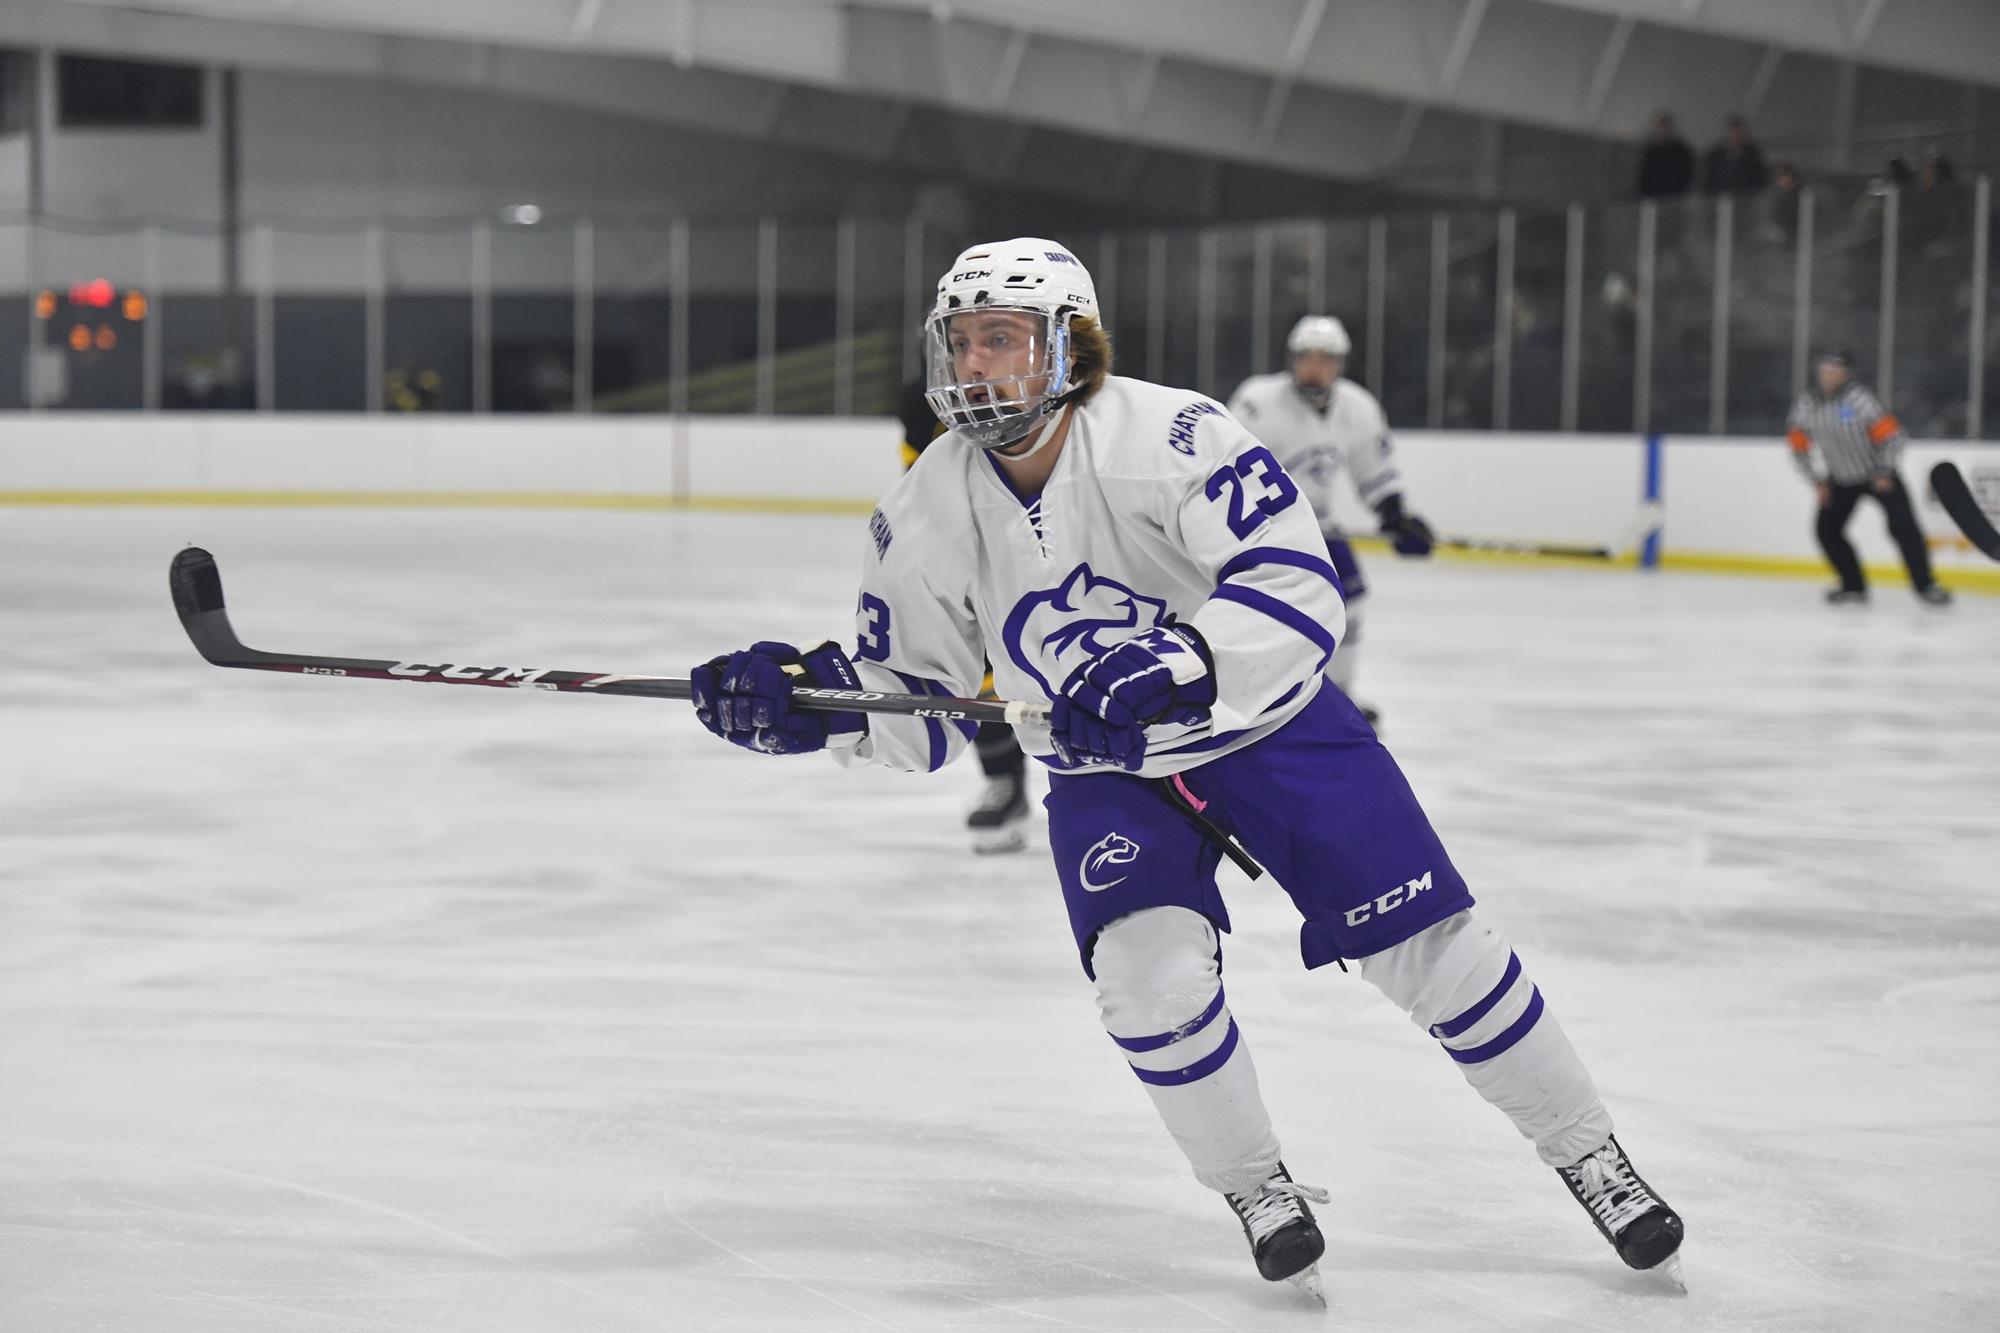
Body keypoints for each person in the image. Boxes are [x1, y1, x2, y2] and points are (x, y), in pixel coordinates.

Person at [687, 239, 1686, 1302]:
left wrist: (1184, 659)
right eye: (961, 341)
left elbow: (1296, 585)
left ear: (1067, 347)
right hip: (1104, 772)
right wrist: (812, 705)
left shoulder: (1172, 434)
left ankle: (1590, 1153)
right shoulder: (922, 508)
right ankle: (1256, 1186)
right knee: (1146, 988)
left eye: (1001, 339)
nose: (974, 364)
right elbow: (921, 708)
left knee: (1434, 951)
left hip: (1270, 727)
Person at [1226, 315, 1432, 728]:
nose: (1315, 367)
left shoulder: (1357, 407)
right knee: (1258, 607)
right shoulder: (1257, 401)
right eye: (1308, 357)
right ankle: (1260, 693)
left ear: (1339, 364)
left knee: (1350, 595)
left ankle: (1339, 693)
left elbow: (1374, 471)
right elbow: (1225, 462)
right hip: (1258, 526)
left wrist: (1394, 515)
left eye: (1325, 359)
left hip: (1317, 523)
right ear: (1293, 359)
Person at [899, 375, 1033, 852]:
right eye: (957, 343)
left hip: (1060, 547)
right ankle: (1005, 781)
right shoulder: (921, 399)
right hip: (974, 552)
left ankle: (1120, 790)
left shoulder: (1047, 386)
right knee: (982, 676)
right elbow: (918, 479)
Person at [1787, 349, 1951, 606]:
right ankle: (1853, 586)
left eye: (1836, 369)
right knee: (1827, 530)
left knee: (1904, 528)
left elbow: (1893, 437)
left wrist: (1884, 470)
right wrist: (1817, 481)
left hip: (1878, 475)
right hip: (1840, 479)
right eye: (1825, 368)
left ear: (1845, 373)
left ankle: (1927, 586)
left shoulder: (1859, 400)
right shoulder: (1807, 403)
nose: (1829, 374)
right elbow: (1798, 444)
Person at [1703, 115, 1768, 195]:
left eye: (1739, 135)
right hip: (1720, 198)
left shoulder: (1753, 156)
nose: (1736, 138)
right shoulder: (1714, 157)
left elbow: (1760, 182)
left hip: (1747, 198)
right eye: (1733, 135)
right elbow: (1707, 184)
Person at [1635, 112, 1695, 198]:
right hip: (1653, 194)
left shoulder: (1681, 150)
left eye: (1667, 127)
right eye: (1662, 127)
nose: (1664, 130)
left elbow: (1687, 174)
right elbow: (1644, 176)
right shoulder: (1650, 150)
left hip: (1675, 194)